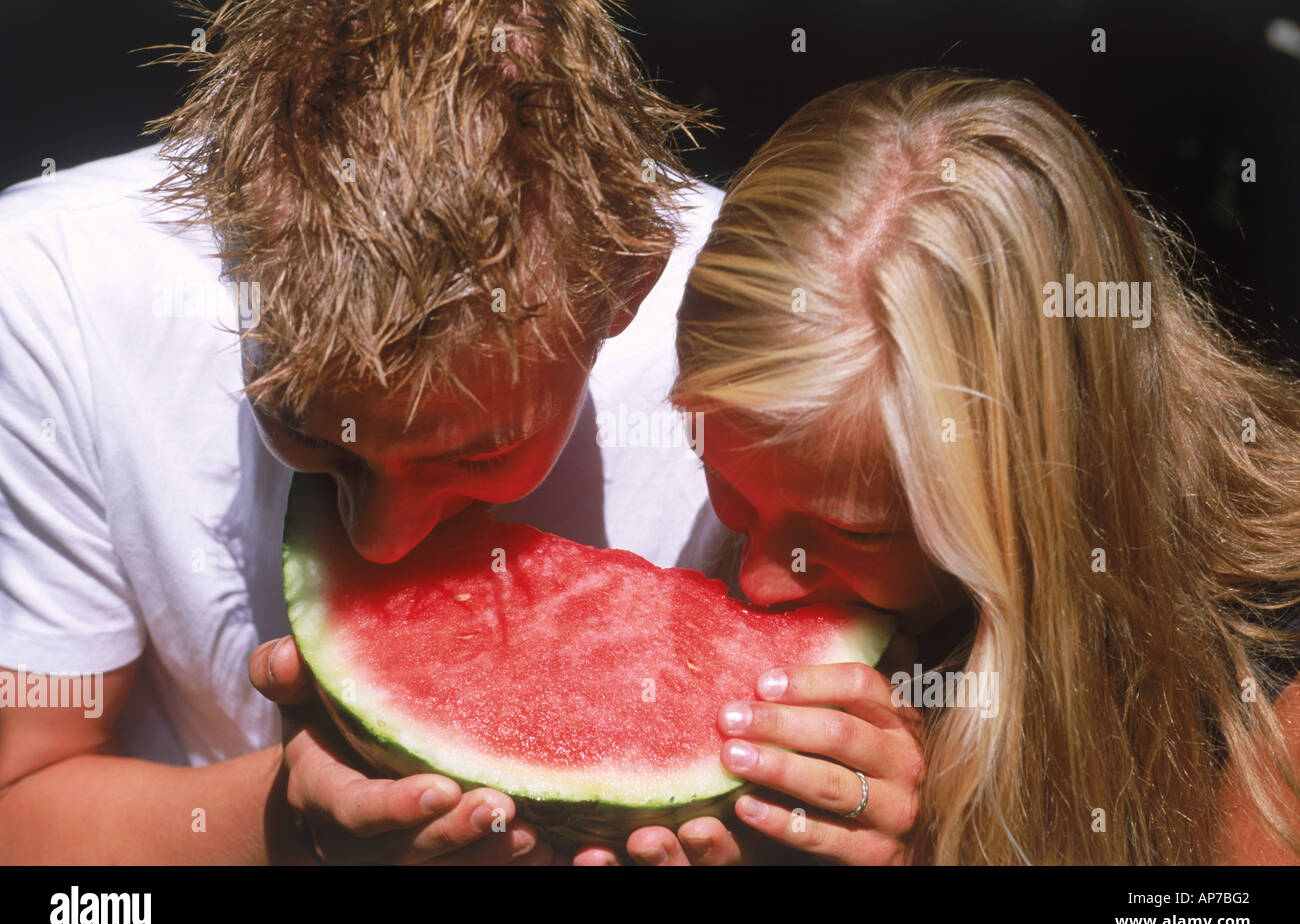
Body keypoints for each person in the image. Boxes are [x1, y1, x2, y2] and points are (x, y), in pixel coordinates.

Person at [0, 0, 727, 864]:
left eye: (478, 452)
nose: (380, 545)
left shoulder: (767, 325)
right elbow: (22, 804)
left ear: (628, 291)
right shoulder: (53, 288)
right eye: (318, 443)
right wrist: (285, 818)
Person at [579, 69, 1300, 865]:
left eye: (858, 530)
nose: (760, 583)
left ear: (1036, 490)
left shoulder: (1276, 688)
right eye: (732, 493)